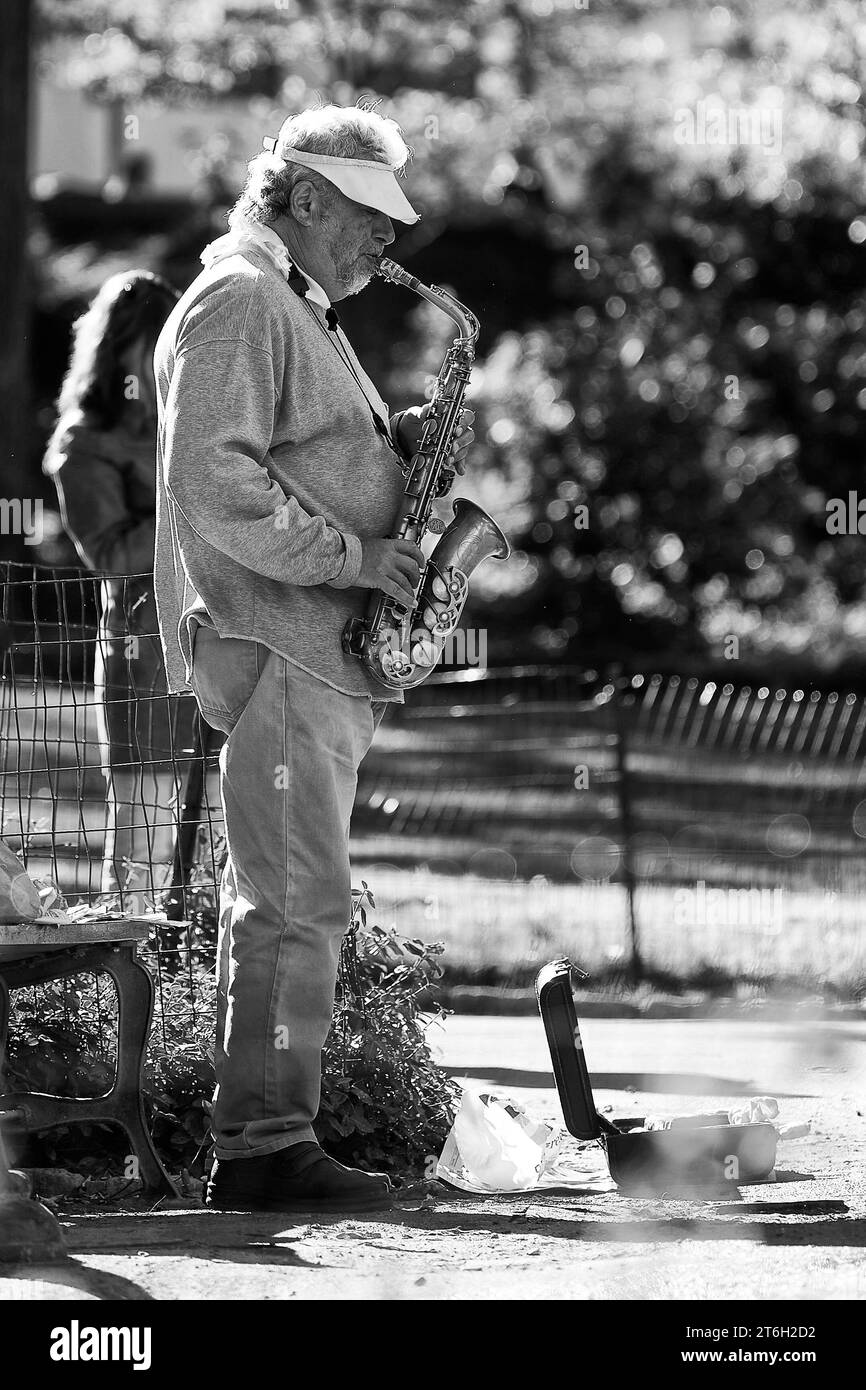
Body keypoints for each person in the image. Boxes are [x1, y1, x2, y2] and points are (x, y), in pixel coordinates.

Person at [153, 104, 474, 1212]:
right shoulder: (244, 300)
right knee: (295, 905)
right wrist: (354, 556)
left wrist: (402, 444)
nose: (383, 245)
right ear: (300, 197)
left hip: (311, 647)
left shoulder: (290, 302)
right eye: (367, 219)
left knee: (295, 902)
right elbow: (216, 482)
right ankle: (263, 1148)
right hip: (282, 637)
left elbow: (294, 455)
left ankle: (265, 1140)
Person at [44, 270, 206, 902]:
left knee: (221, 848)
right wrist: (194, 499)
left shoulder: (186, 425)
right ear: (119, 352)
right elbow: (110, 555)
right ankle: (136, 992)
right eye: (153, 343)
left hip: (211, 651)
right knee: (143, 853)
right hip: (141, 658)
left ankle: (202, 992)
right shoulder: (84, 445)